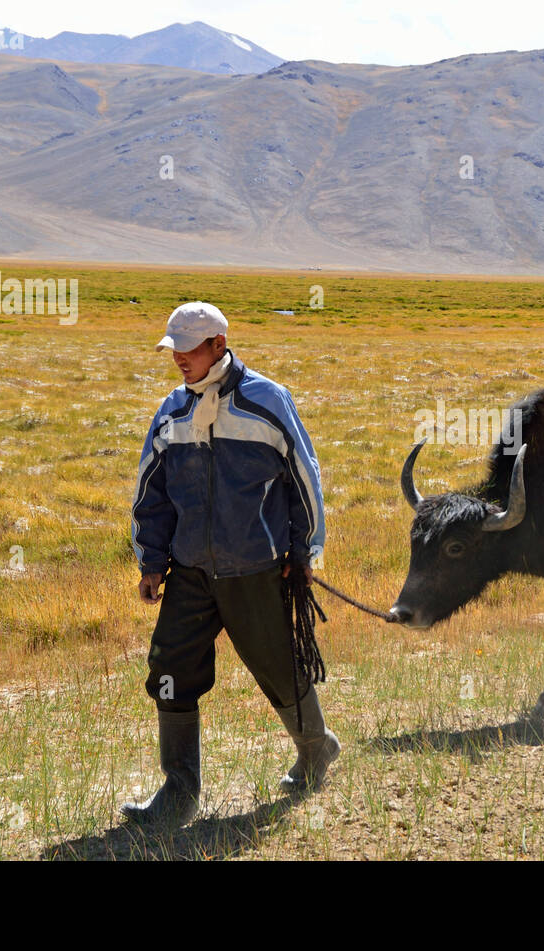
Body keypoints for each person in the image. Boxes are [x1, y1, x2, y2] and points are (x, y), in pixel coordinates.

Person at [124, 301, 337, 827]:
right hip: (190, 572)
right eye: (172, 348)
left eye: (188, 348)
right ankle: (179, 789)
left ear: (219, 344)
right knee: (170, 671)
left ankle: (315, 750)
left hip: (255, 569)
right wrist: (152, 561)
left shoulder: (267, 401)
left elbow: (303, 479)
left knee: (277, 667)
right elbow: (150, 492)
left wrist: (305, 551)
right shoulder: (173, 410)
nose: (178, 359)